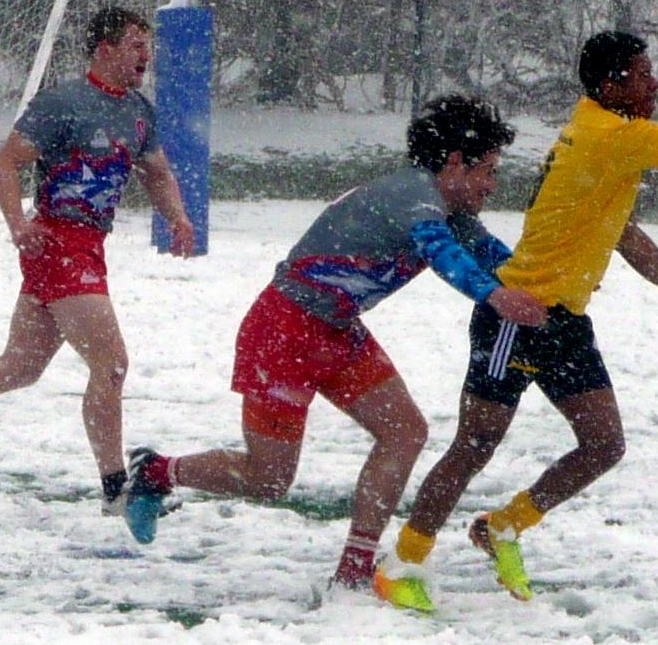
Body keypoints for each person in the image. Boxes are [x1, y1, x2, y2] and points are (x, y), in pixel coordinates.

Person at [120, 94, 549, 610]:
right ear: (455, 162)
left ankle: (354, 569)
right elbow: (443, 255)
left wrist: (552, 281)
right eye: (488, 171)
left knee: (405, 431)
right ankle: (156, 472)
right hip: (282, 330)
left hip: (338, 332)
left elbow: (501, 259)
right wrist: (495, 297)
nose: (492, 185)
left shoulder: (449, 210)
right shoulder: (415, 196)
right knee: (270, 478)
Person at [389, 30, 658, 605]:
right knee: (475, 445)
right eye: (643, 75)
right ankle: (402, 563)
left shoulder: (611, 138)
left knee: (604, 445)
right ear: (610, 85)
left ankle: (503, 526)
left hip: (565, 322)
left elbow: (622, 232)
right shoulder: (608, 135)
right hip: (516, 315)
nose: (655, 84)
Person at [0, 7, 199, 524]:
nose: (146, 56)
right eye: (136, 46)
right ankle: (116, 487)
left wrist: (177, 217)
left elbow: (156, 172)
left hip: (89, 247)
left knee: (18, 368)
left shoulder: (139, 111)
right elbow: (7, 161)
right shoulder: (62, 103)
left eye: (148, 46)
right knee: (111, 364)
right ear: (105, 50)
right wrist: (18, 224)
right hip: (58, 245)